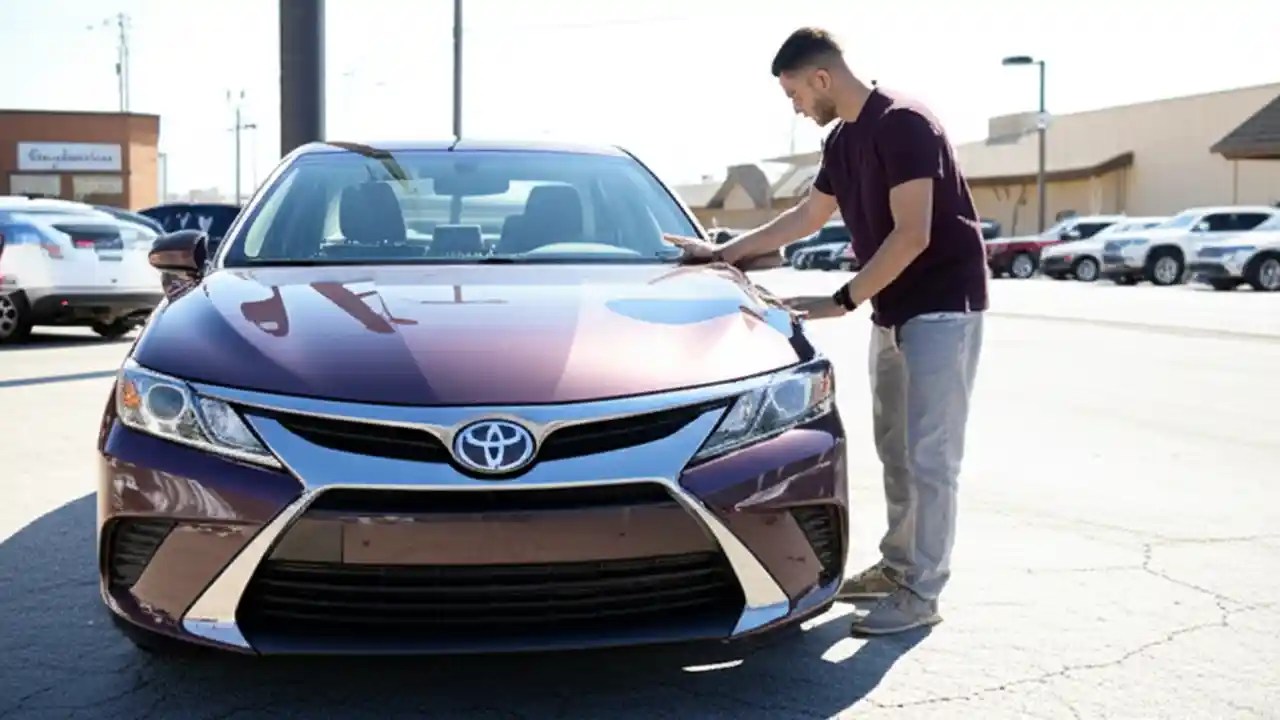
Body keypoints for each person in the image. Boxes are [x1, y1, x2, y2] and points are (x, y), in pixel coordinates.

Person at [664, 27, 987, 636]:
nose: (794, 107)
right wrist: (722, 254)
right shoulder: (843, 140)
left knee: (931, 457)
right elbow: (807, 216)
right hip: (892, 310)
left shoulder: (906, 124)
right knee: (896, 452)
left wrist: (844, 297)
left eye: (794, 94)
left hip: (943, 308)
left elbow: (913, 233)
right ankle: (898, 568)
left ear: (821, 78)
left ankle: (922, 593)